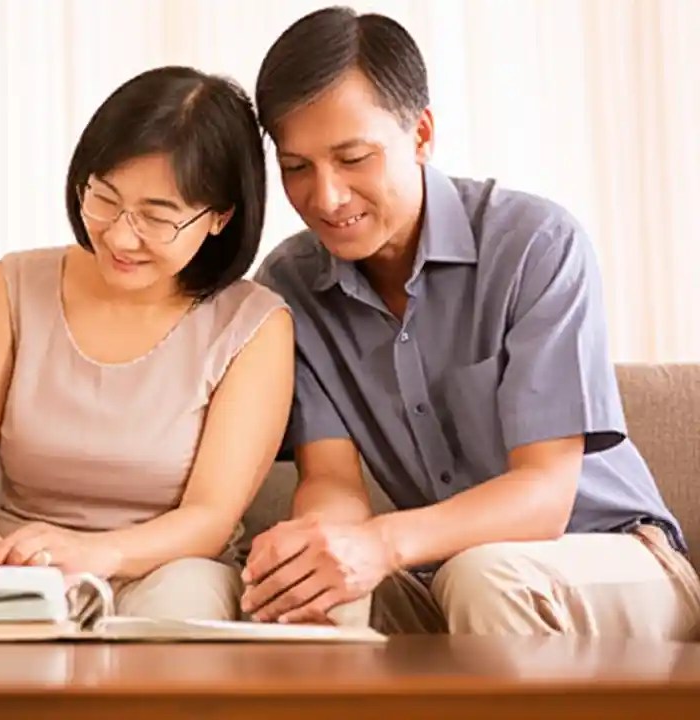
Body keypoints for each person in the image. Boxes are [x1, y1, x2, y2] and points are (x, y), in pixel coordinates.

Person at [243, 6, 700, 636]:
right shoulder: (291, 284)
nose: (326, 198)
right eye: (297, 168)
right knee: (318, 600)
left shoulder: (536, 245)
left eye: (353, 158)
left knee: (484, 576)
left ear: (422, 134)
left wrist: (382, 543)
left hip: (615, 557)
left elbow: (544, 496)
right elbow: (331, 480)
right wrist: (319, 554)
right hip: (445, 570)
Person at [0, 65, 294, 622]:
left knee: (179, 609)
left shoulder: (253, 324)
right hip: (16, 567)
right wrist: (0, 563)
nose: (121, 236)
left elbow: (211, 514)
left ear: (220, 218)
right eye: (105, 199)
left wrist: (96, 555)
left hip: (170, 573)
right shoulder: (12, 286)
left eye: (157, 217)